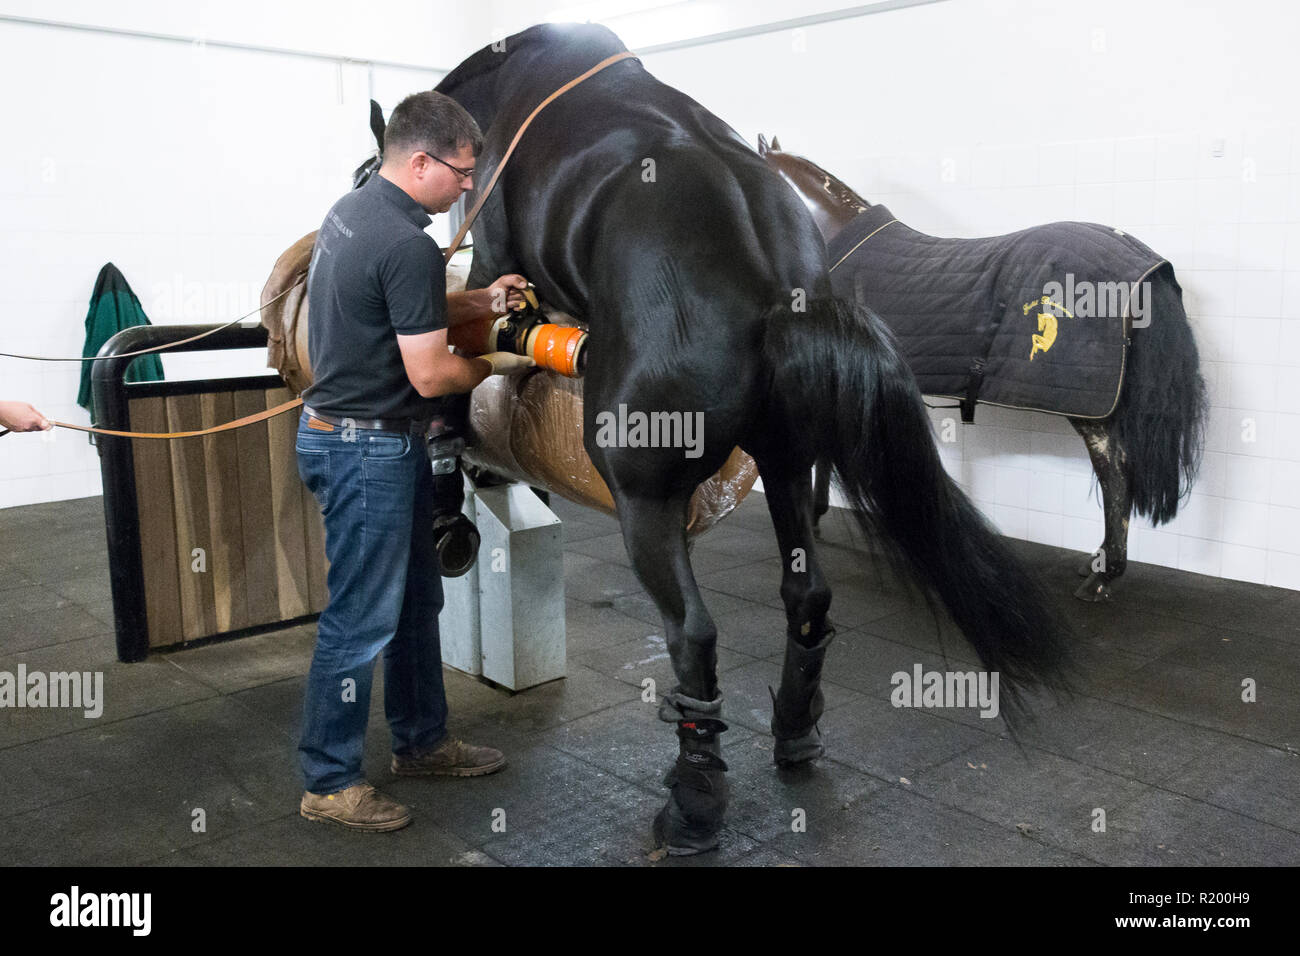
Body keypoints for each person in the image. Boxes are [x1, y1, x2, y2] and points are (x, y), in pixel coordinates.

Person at [295, 90, 535, 832]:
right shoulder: (403, 242)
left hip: (349, 435)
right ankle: (328, 782)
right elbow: (431, 375)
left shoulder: (356, 210)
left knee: (413, 605)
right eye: (461, 173)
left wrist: (483, 301)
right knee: (359, 620)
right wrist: (495, 366)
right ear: (421, 161)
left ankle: (421, 740)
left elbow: (403, 307)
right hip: (366, 446)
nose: (469, 187)